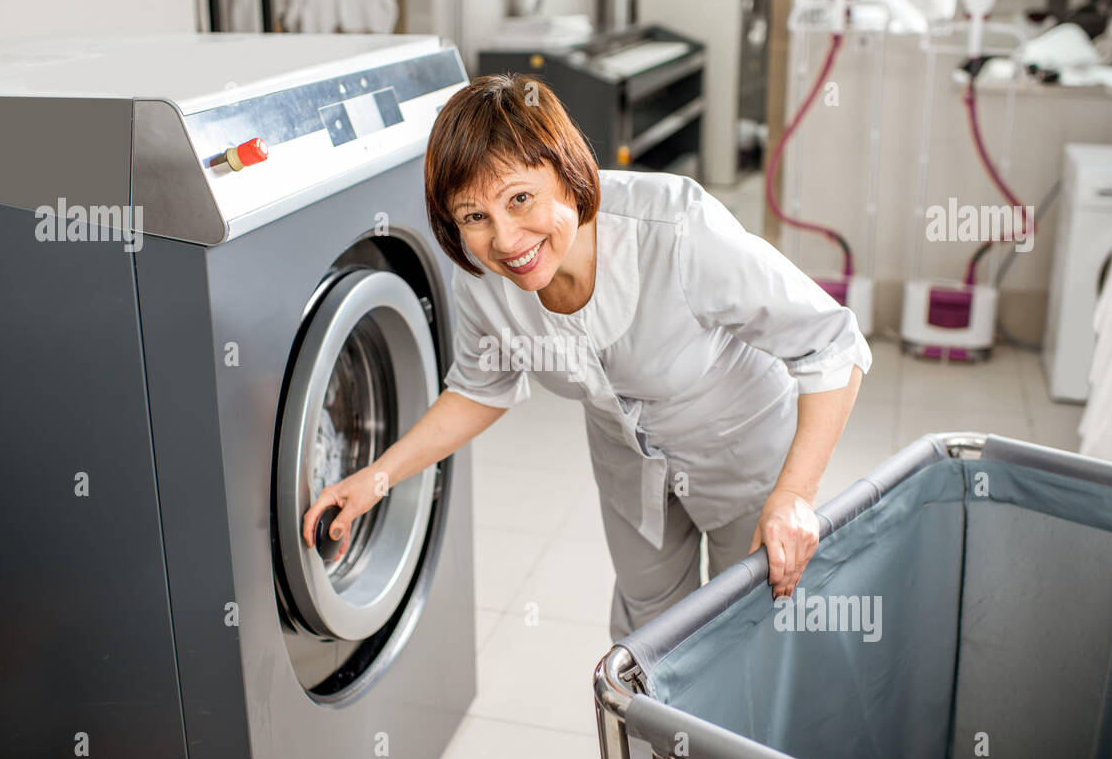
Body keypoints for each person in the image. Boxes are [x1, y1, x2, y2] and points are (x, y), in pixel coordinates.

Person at [303, 74, 871, 644]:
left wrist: (794, 496)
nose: (505, 240)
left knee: (752, 628)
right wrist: (377, 478)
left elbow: (832, 344)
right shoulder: (481, 279)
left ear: (568, 170)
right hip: (632, 476)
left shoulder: (677, 228)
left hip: (745, 458)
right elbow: (481, 387)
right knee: (651, 638)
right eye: (474, 216)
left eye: (520, 198)